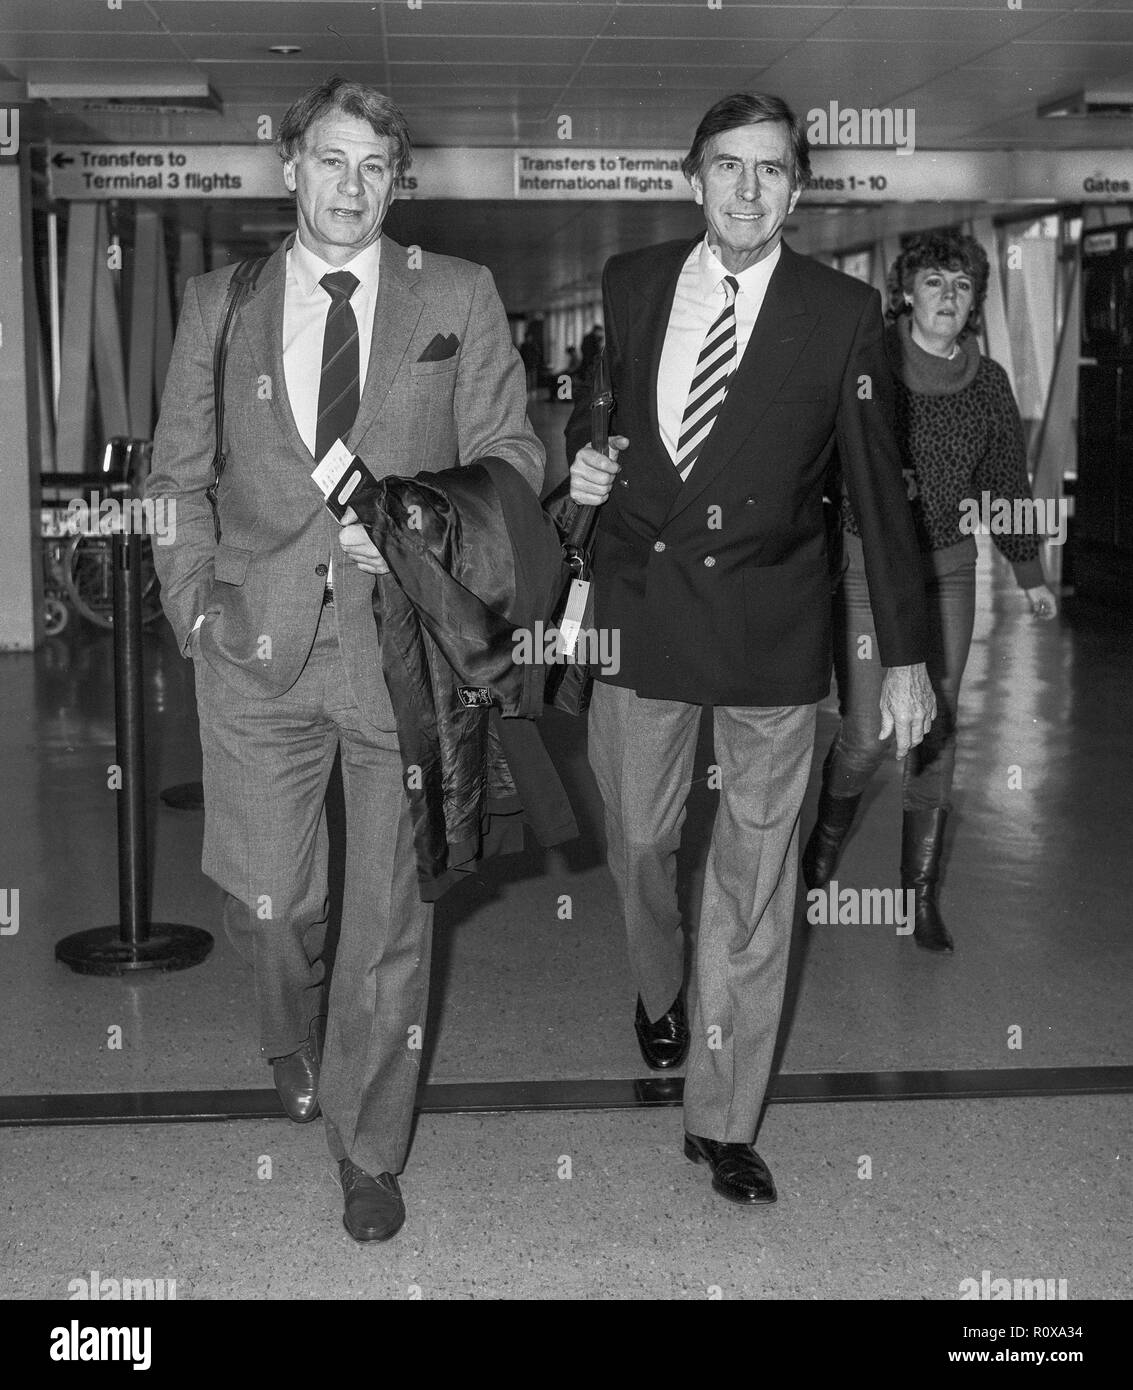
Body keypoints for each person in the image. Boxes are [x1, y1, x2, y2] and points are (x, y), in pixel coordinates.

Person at [147, 76, 543, 1242]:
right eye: (331, 160)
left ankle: (369, 1149)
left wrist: (419, 512)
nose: (352, 186)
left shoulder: (457, 295)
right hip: (253, 644)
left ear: (395, 179)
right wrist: (191, 612)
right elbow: (175, 480)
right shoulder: (220, 302)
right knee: (274, 905)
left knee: (387, 916)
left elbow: (513, 457)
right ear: (290, 166)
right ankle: (287, 1026)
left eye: (374, 166)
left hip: (400, 655)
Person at [566, 92, 935, 1208]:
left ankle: (722, 1117)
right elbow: (605, 416)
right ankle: (656, 984)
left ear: (797, 186)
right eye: (726, 168)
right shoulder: (632, 284)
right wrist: (584, 458)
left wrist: (905, 654)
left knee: (753, 883)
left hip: (771, 627)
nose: (747, 190)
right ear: (692, 179)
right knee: (636, 843)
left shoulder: (841, 313)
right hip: (641, 608)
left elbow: (878, 488)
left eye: (771, 171)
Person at [802, 230, 1058, 952]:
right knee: (861, 736)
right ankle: (818, 856)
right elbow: (823, 463)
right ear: (906, 293)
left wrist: (1028, 574)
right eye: (934, 282)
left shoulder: (987, 381)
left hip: (945, 568)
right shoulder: (867, 364)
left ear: (975, 301)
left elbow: (1007, 483)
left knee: (935, 726)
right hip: (862, 568)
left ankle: (917, 896)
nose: (948, 297)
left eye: (962, 285)